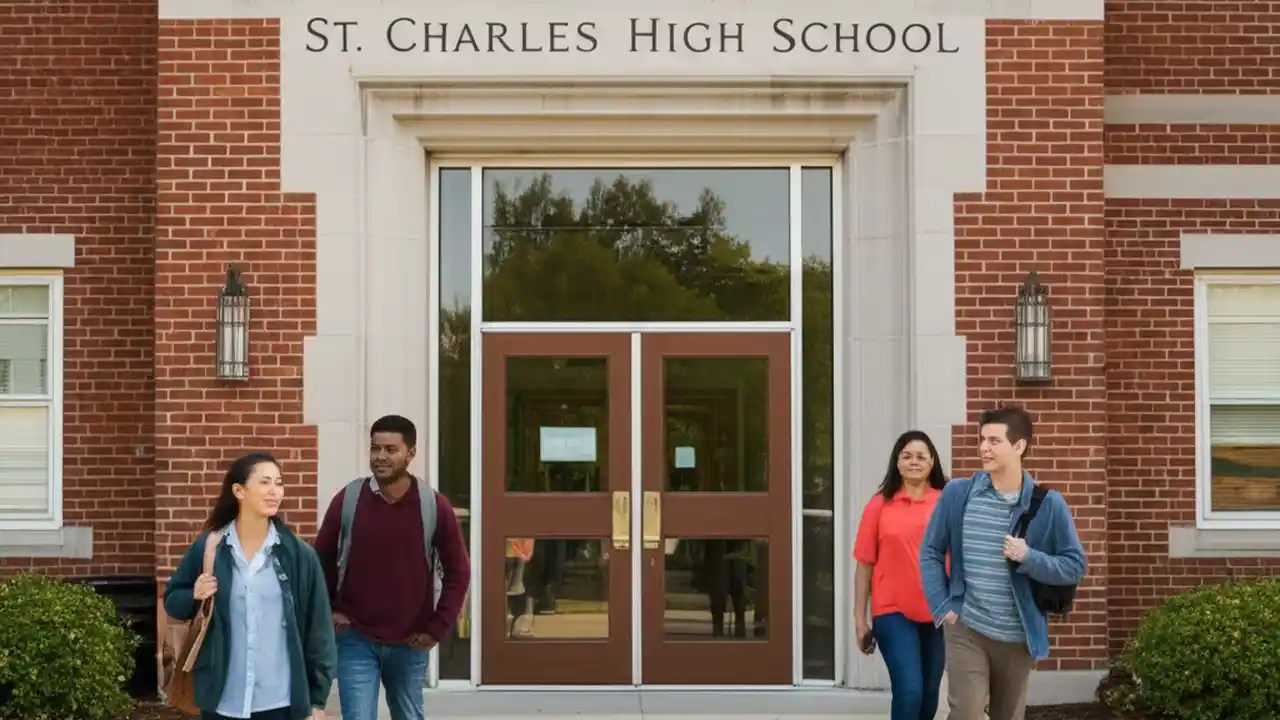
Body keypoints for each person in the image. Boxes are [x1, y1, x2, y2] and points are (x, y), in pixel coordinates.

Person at [919, 406, 1087, 720]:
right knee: (965, 713)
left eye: (994, 441)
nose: (984, 448)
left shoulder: (1049, 504)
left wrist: (1029, 557)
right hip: (966, 626)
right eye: (982, 439)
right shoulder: (959, 494)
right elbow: (930, 551)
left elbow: (1074, 564)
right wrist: (942, 607)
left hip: (1018, 636)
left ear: (1019, 446)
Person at [314, 415, 471, 720]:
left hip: (411, 641)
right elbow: (319, 559)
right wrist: (330, 607)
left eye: (390, 449)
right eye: (375, 449)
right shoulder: (349, 499)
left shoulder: (433, 505)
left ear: (410, 454)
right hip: (355, 638)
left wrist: (437, 627)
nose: (381, 457)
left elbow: (458, 572)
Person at [163, 452, 337, 720]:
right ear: (239, 491)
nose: (274, 491)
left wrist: (316, 700)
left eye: (279, 483)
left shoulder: (299, 555)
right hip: (221, 701)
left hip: (280, 701)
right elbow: (173, 600)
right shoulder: (210, 547)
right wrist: (194, 595)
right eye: (265, 482)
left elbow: (319, 632)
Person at [853, 430, 949, 720]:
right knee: (909, 690)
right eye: (906, 456)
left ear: (932, 462)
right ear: (897, 462)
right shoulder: (879, 505)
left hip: (936, 612)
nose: (914, 462)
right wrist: (860, 619)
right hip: (892, 611)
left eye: (921, 456)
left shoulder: (946, 504)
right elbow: (864, 564)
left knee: (929, 695)